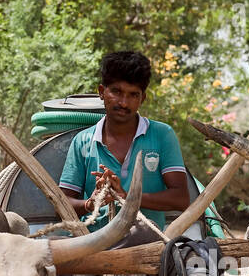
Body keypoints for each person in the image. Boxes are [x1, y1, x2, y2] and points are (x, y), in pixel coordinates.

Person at [58, 50, 191, 231]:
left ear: (142, 98)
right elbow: (63, 204)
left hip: (145, 242)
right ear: (101, 92)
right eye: (116, 91)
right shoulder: (82, 141)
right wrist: (91, 203)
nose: (123, 102)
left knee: (141, 232)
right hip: (91, 244)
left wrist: (128, 197)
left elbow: (181, 198)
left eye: (133, 95)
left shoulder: (162, 135)